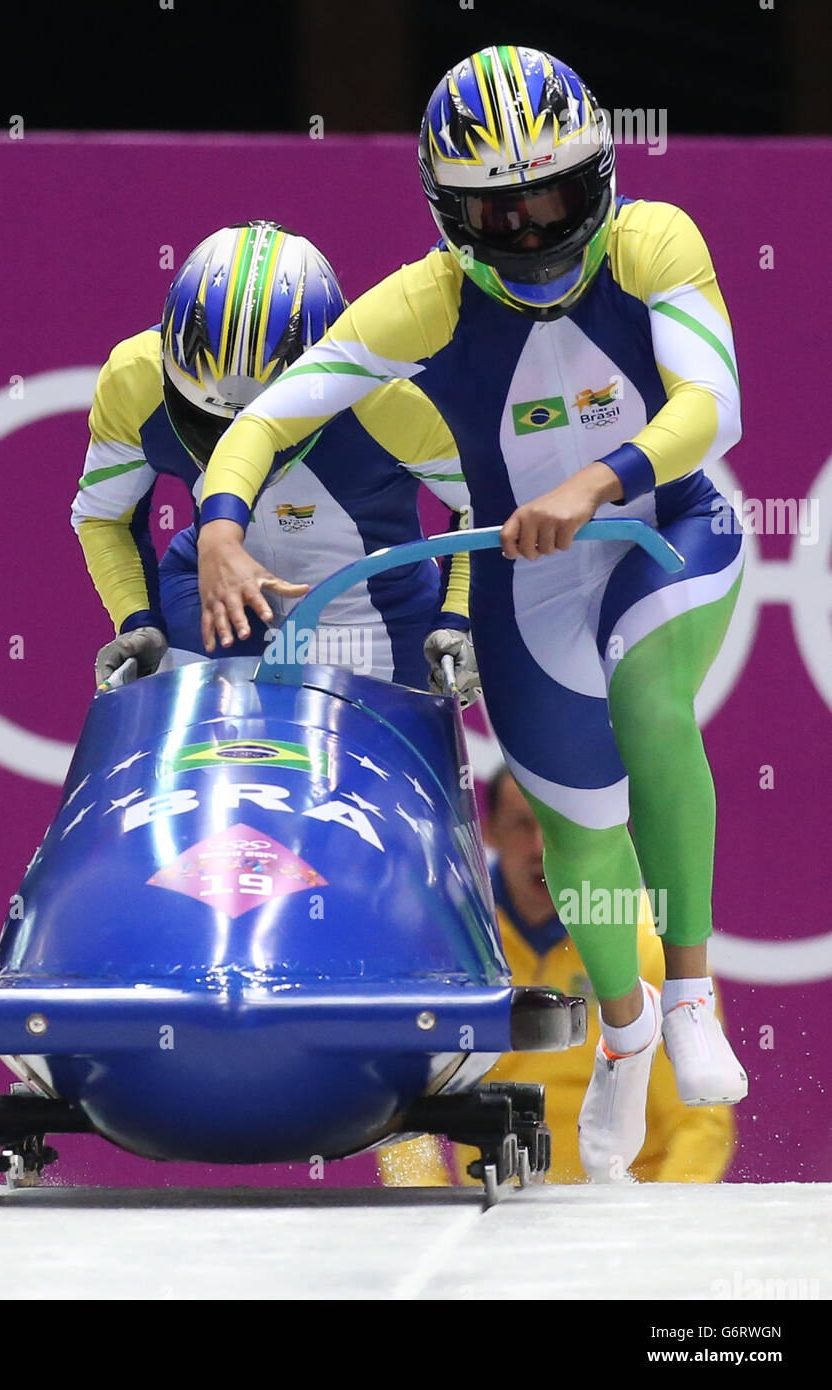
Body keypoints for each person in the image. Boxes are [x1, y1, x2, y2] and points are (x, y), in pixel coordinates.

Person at [194, 47, 749, 1181]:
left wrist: (593, 484)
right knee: (576, 828)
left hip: (669, 531)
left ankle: (690, 994)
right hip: (528, 575)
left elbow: (714, 406)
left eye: (553, 194)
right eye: (500, 211)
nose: (534, 226)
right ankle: (626, 1032)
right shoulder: (423, 301)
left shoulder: (653, 242)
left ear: (599, 176)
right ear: (451, 215)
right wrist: (217, 523)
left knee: (650, 700)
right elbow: (264, 418)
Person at [71, 220, 476, 694]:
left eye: (268, 422)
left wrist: (458, 620)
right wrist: (138, 620)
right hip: (214, 599)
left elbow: (482, 504)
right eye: (206, 418)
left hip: (379, 618)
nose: (238, 444)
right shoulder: (134, 378)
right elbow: (104, 517)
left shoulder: (392, 392)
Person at [378, 767, 735, 1186]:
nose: (539, 846)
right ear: (488, 833)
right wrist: (432, 1206)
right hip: (491, 1206)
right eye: (521, 825)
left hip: (627, 1204)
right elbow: (404, 1108)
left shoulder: (647, 939)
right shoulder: (448, 943)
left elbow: (700, 1122)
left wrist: (656, 1219)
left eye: (554, 827)